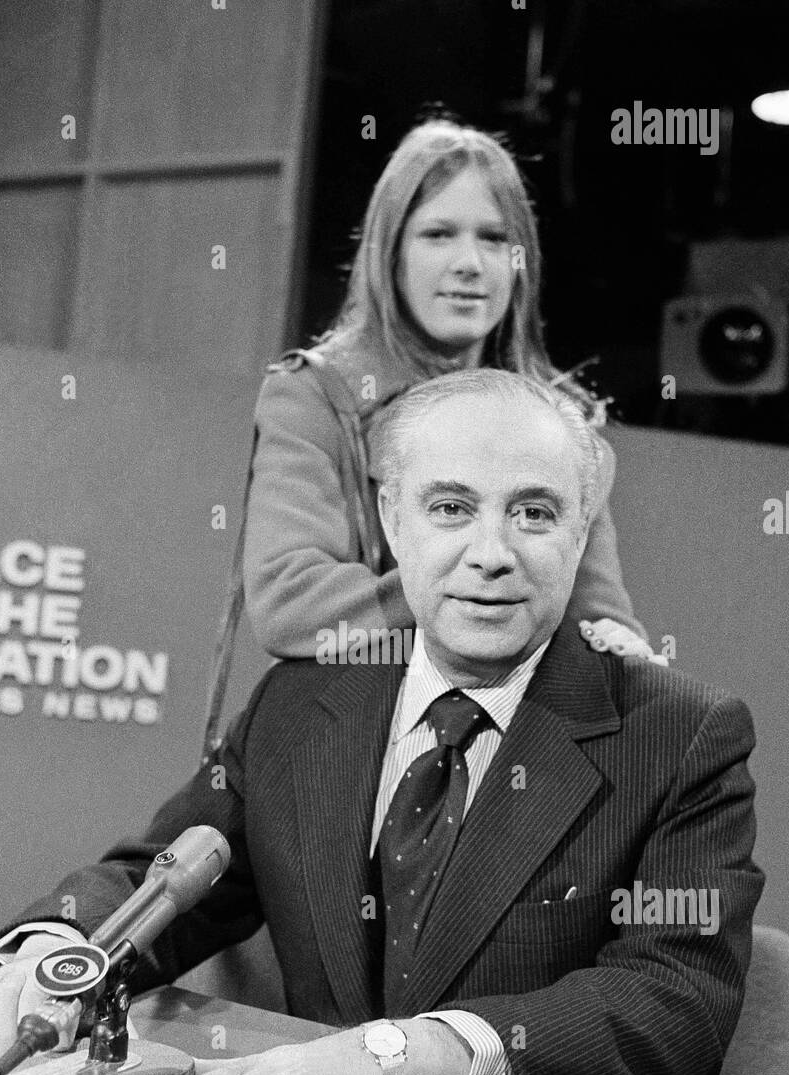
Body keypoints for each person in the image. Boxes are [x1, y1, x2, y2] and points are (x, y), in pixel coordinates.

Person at [0, 369, 763, 1075]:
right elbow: (168, 874)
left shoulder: (680, 735)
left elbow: (674, 1000)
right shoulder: (303, 702)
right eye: (450, 509)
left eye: (533, 513)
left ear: (581, 533)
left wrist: (391, 1058)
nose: (490, 553)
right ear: (391, 519)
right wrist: (59, 947)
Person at [240, 117, 658, 684]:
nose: (470, 263)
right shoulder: (314, 396)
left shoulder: (560, 424)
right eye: (439, 234)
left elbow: (599, 621)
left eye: (493, 238)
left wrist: (622, 653)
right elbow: (288, 604)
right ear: (391, 252)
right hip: (359, 736)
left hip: (514, 744)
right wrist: (474, 591)